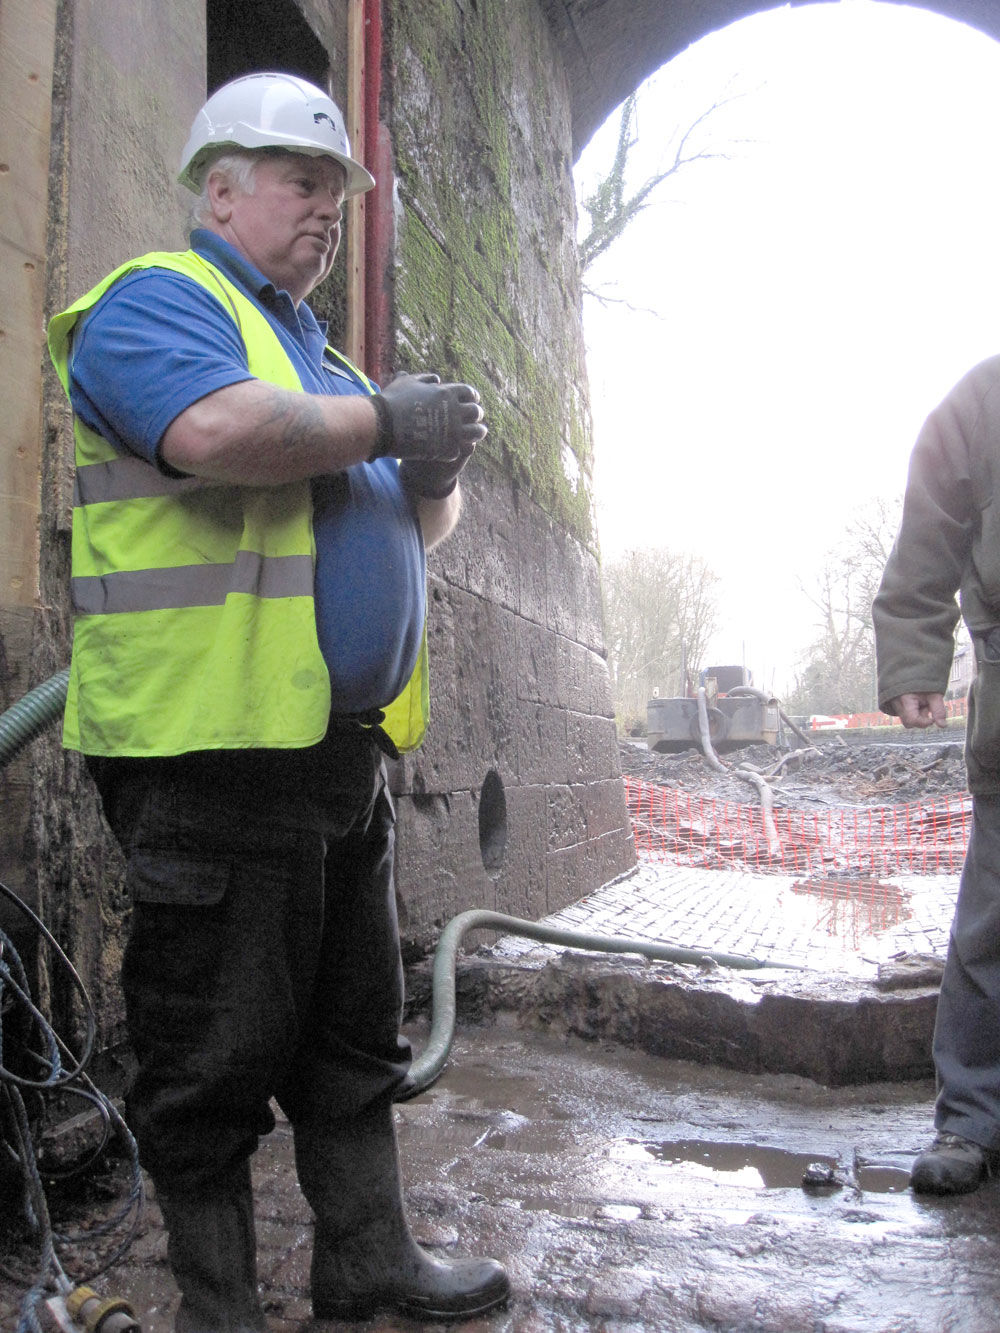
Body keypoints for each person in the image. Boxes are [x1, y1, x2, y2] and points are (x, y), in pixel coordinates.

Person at [47, 71, 510, 1328]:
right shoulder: (154, 305)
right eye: (304, 184)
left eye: (337, 193)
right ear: (222, 189)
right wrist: (380, 419)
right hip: (211, 752)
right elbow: (211, 434)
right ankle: (221, 1310)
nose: (326, 211)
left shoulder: (323, 354)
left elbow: (413, 530)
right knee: (211, 1059)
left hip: (330, 751)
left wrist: (432, 463)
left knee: (351, 1039)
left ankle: (366, 1261)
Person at [873, 354, 1000, 1198]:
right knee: (994, 918)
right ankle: (973, 1114)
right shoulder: (985, 400)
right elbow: (932, 521)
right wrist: (917, 654)